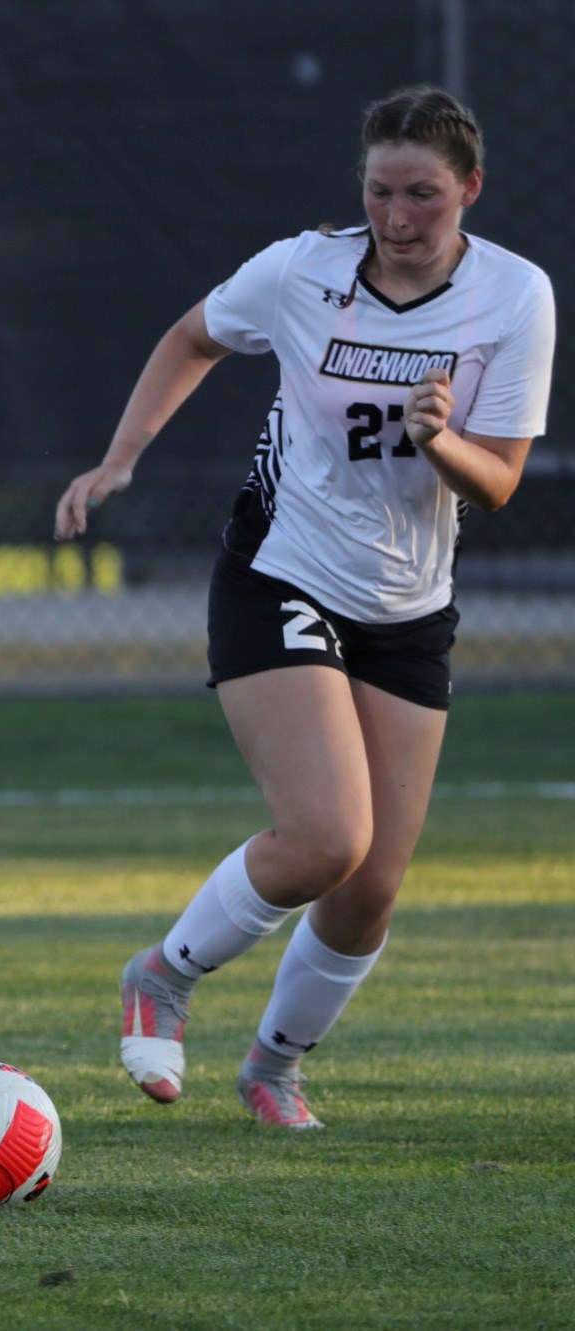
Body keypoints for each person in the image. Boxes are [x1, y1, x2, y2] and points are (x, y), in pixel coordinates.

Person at [54, 86, 554, 1129]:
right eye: (378, 190)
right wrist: (118, 458)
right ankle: (161, 974)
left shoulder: (513, 296)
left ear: (468, 189)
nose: (396, 216)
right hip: (279, 570)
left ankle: (272, 1066)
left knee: (369, 883)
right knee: (325, 831)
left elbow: (496, 481)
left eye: (421, 193)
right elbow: (191, 335)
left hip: (408, 606)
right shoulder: (301, 270)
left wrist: (438, 439)